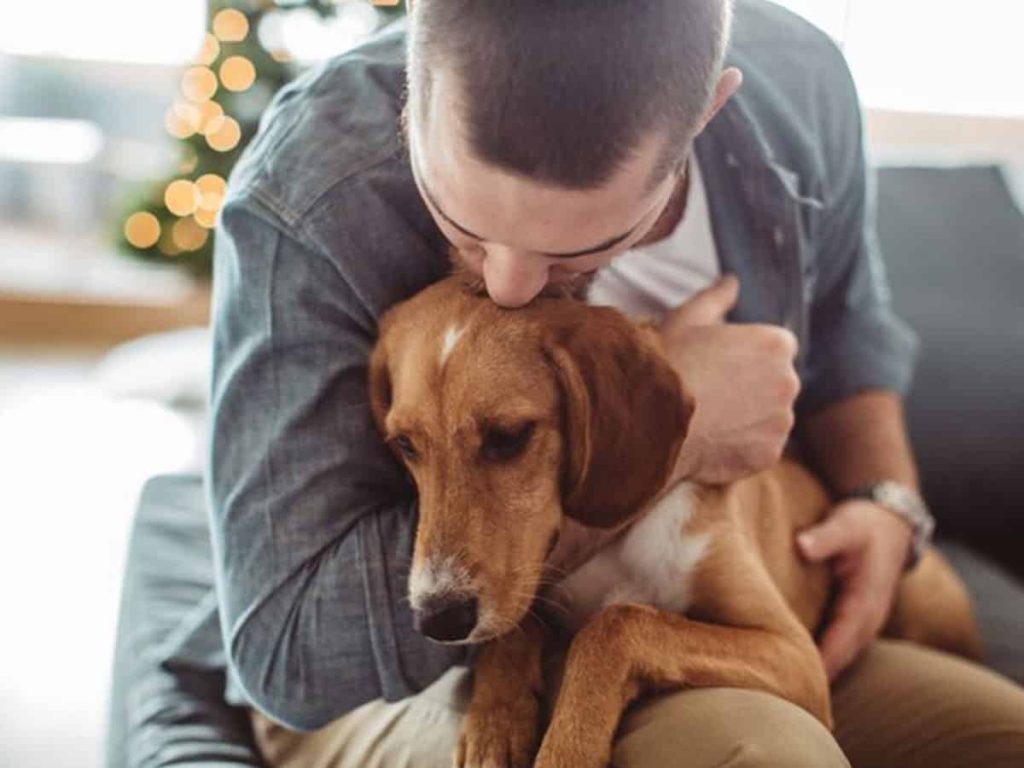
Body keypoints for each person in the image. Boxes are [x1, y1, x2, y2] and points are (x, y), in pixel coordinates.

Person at [114, 1, 1024, 767]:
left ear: (704, 113)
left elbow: (853, 319)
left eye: (575, 247)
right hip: (384, 671)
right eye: (461, 219)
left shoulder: (802, 81)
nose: (509, 285)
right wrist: (685, 433)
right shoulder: (307, 189)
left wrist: (884, 498)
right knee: (759, 750)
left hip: (753, 630)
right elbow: (291, 654)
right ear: (413, 90)